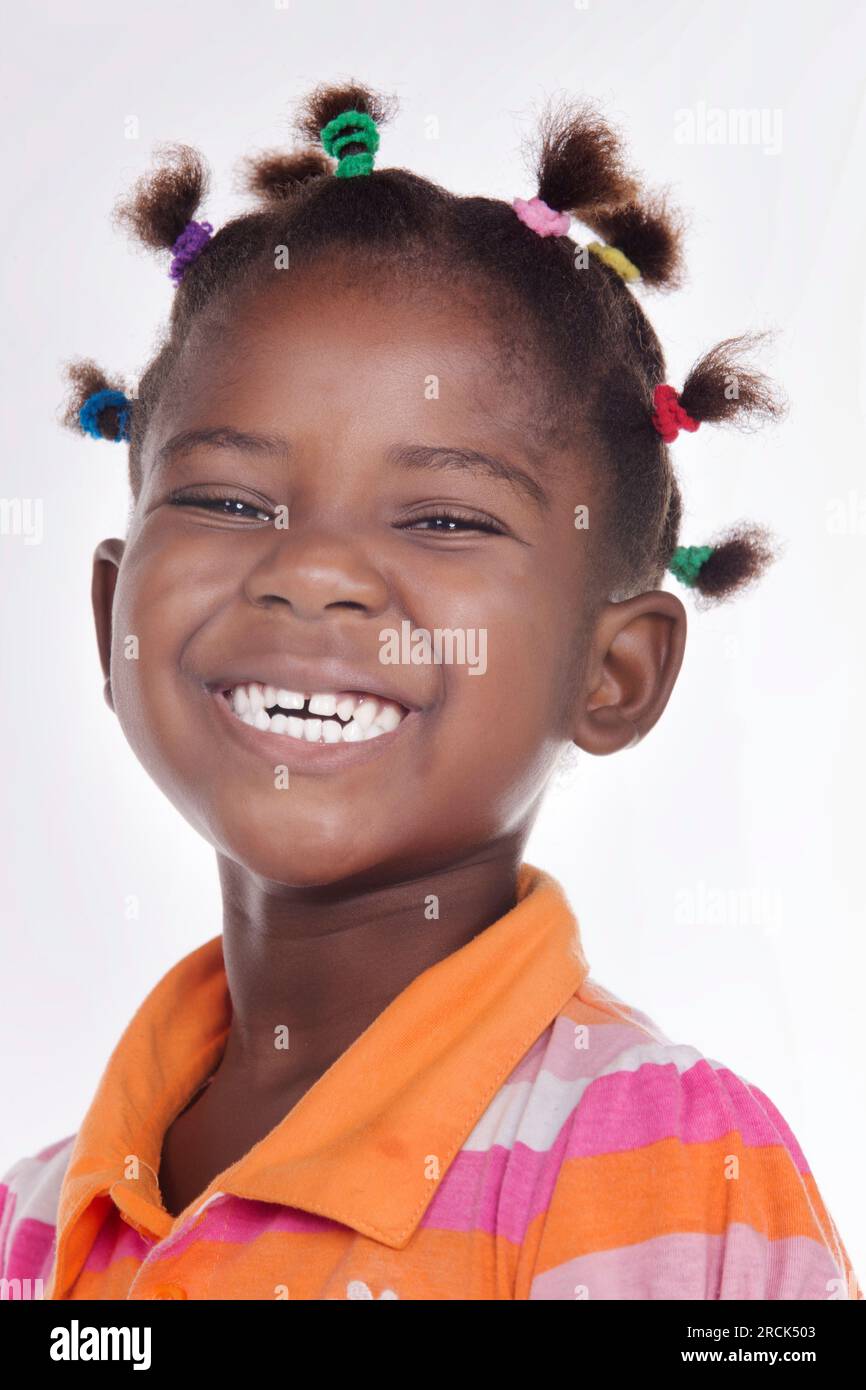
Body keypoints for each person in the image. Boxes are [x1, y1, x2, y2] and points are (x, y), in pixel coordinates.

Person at [1, 81, 858, 1301]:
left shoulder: (665, 1165)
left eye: (446, 517)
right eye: (229, 501)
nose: (309, 571)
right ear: (109, 617)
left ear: (611, 675)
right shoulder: (35, 1228)